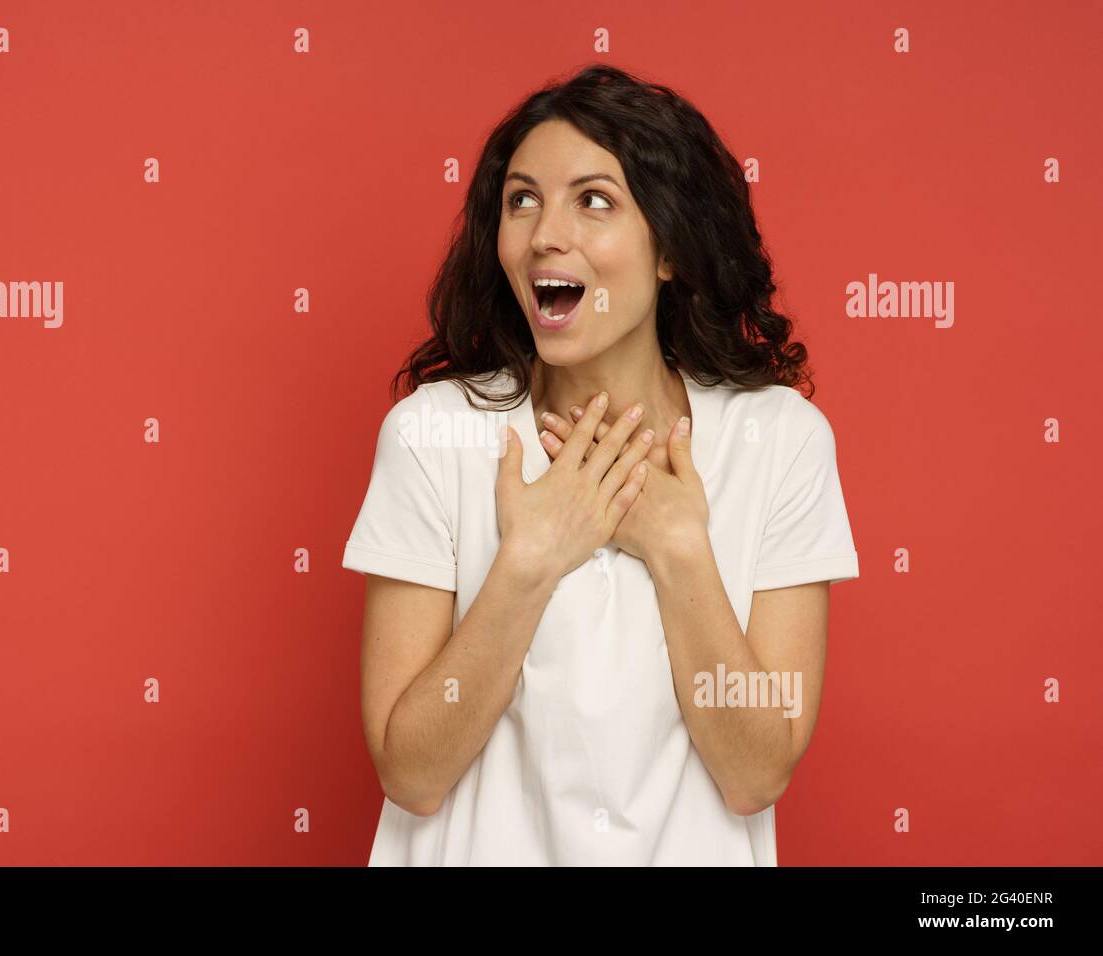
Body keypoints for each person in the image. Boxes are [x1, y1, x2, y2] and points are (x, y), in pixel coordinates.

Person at [341, 64, 859, 866]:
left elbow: (756, 773)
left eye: (594, 200)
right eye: (522, 199)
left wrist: (682, 550)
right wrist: (529, 562)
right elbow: (411, 772)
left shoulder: (780, 440)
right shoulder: (432, 434)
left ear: (669, 253)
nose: (547, 232)